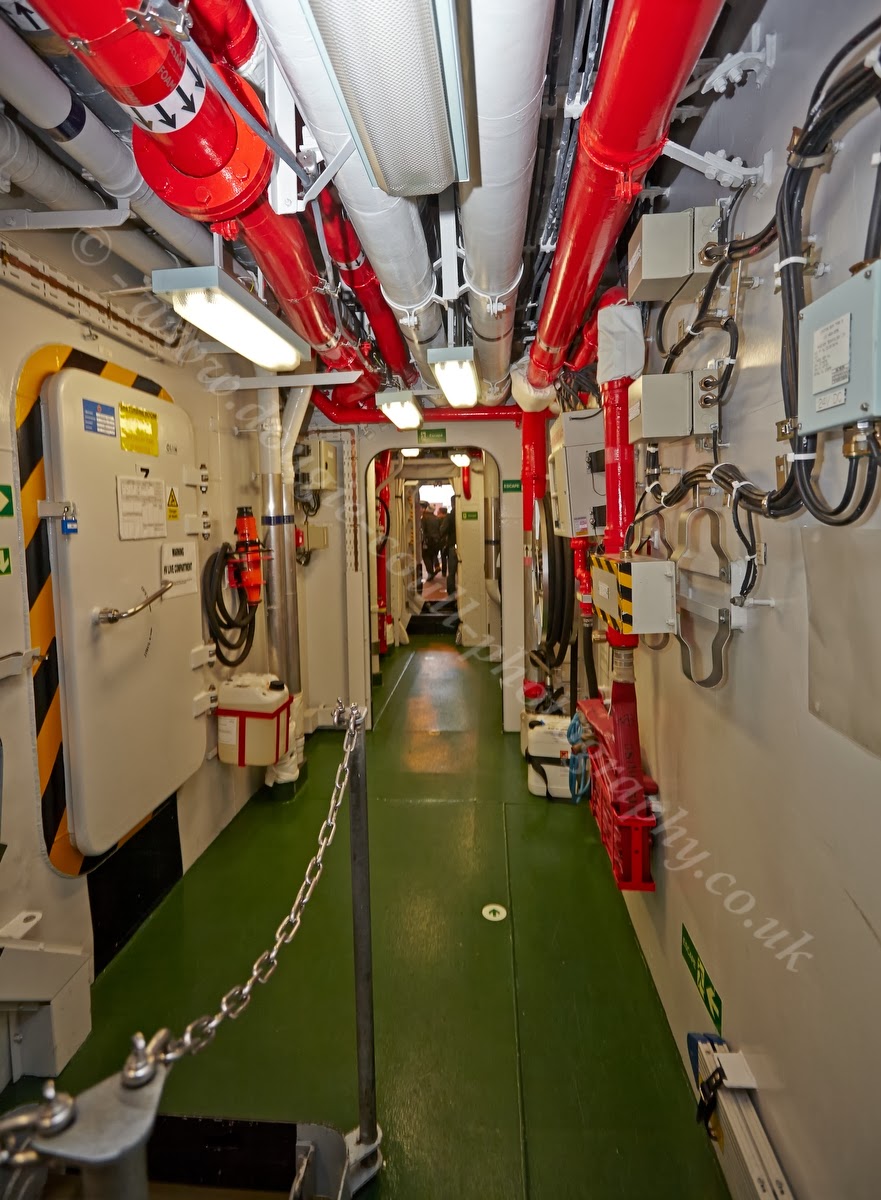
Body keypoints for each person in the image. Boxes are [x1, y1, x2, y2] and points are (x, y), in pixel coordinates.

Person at [420, 500, 441, 579]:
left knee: (425, 556)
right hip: (436, 540)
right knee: (432, 555)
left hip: (428, 540)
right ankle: (435, 567)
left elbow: (423, 530)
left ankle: (430, 572)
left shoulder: (424, 518)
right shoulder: (436, 518)